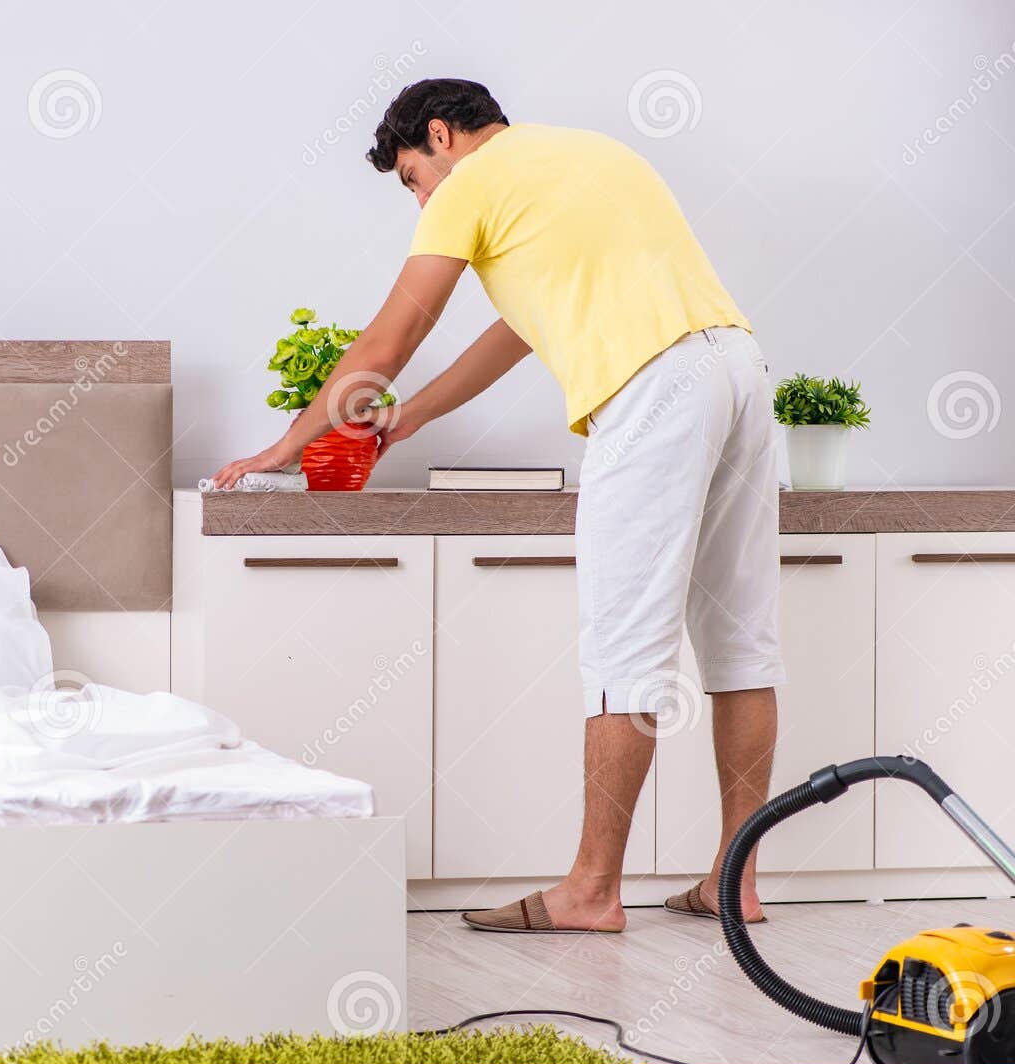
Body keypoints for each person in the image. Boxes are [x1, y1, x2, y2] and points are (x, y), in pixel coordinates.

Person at [212, 78, 783, 933]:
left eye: (412, 177)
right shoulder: (588, 155)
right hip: (738, 369)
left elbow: (389, 336)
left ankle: (591, 892)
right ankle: (735, 883)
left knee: (624, 652)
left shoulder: (471, 182)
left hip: (654, 393)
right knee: (741, 644)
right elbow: (515, 334)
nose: (419, 198)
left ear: (440, 135)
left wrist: (283, 449)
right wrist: (407, 419)